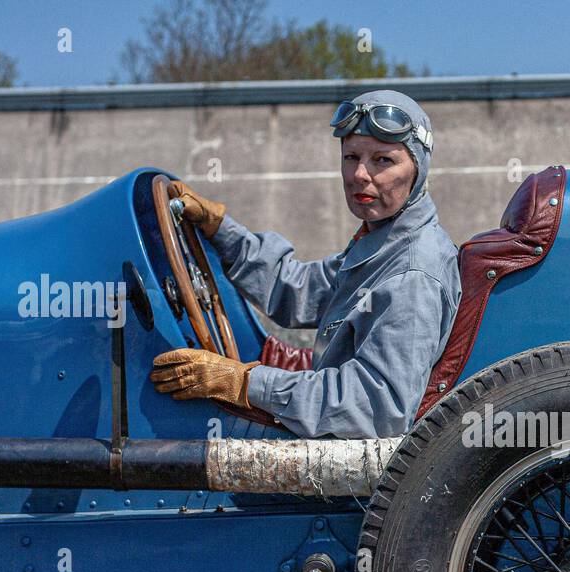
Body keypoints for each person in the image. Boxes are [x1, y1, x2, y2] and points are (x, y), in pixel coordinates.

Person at [149, 90, 461, 438]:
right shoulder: (383, 244)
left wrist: (243, 382)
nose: (359, 174)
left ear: (418, 168)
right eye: (351, 156)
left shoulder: (411, 274)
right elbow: (299, 290)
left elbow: (375, 408)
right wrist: (221, 230)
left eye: (382, 161)